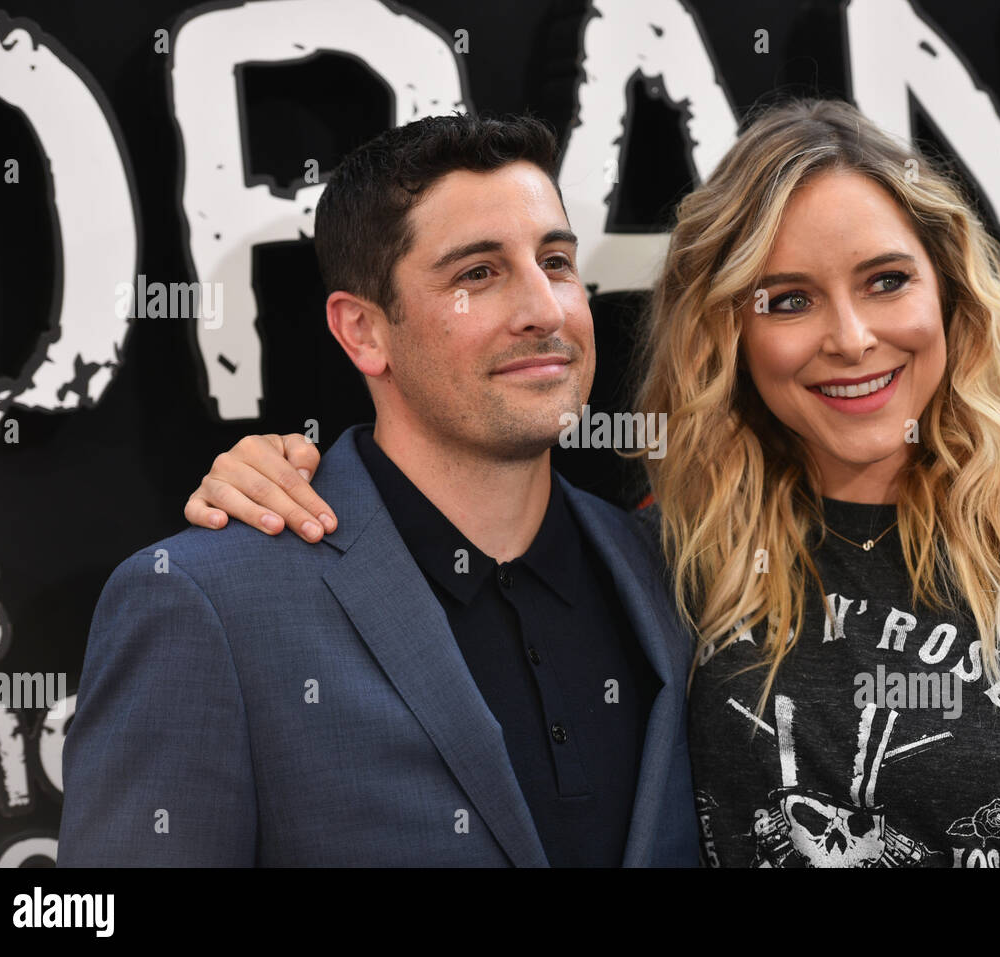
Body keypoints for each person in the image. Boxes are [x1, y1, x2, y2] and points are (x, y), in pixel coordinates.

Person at [182, 99, 1000, 867]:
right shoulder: (677, 561)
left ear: (951, 295)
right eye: (791, 298)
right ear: (735, 331)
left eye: (887, 280)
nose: (851, 340)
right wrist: (286, 475)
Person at [58, 114, 698, 867]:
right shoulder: (206, 606)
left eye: (555, 261)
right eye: (477, 274)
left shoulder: (677, 574)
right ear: (363, 331)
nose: (544, 310)